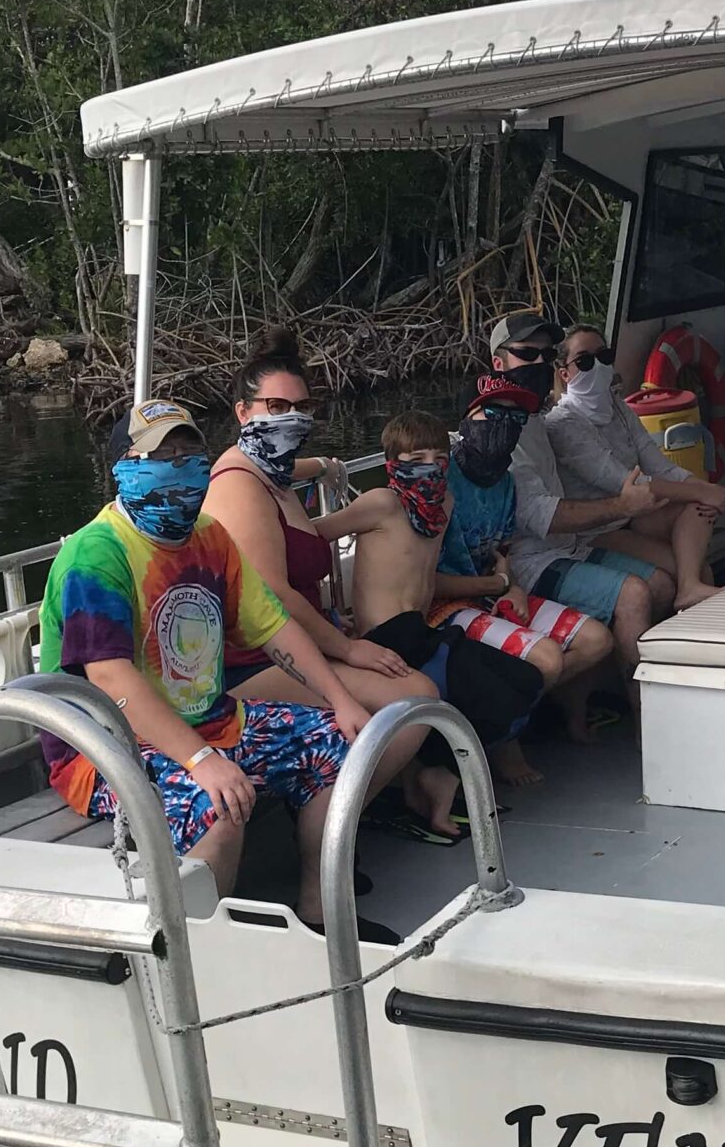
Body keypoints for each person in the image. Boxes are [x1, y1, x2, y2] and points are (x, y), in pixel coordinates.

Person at [38, 400, 357, 921]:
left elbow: (271, 625)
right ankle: (203, 954)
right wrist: (201, 760)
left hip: (213, 720)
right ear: (125, 468)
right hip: (106, 749)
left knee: (344, 745)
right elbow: (108, 675)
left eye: (191, 452)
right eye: (164, 455)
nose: (183, 465)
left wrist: (340, 699)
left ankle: (320, 914)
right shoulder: (98, 553)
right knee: (219, 809)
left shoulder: (209, 535)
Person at [201, 326, 444, 805]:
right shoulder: (238, 485)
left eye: (301, 408)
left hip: (311, 639)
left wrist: (324, 466)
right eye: (275, 408)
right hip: (251, 662)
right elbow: (274, 594)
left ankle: (355, 809)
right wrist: (349, 650)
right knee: (414, 698)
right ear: (242, 413)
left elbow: (294, 469)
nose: (289, 419)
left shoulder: (276, 472)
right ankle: (327, 822)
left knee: (416, 685)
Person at [314, 410, 552, 818]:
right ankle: (431, 776)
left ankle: (433, 771)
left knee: (526, 680)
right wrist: (330, 615)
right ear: (392, 464)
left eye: (437, 457)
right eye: (415, 459)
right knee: (476, 695)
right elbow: (312, 536)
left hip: (421, 630)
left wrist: (498, 582)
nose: (428, 468)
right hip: (384, 636)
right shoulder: (381, 503)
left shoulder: (443, 504)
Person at [434, 373, 620, 782]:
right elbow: (423, 579)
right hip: (444, 605)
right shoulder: (439, 479)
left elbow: (501, 551)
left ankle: (502, 717)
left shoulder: (505, 482)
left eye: (517, 418)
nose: (505, 425)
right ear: (466, 419)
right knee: (546, 659)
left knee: (595, 641)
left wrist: (511, 585)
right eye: (493, 413)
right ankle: (500, 739)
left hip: (490, 590)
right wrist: (497, 587)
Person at [486, 312, 670, 704]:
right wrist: (621, 504)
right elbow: (540, 517)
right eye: (525, 355)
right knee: (633, 594)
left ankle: (601, 700)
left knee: (661, 584)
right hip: (529, 562)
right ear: (498, 364)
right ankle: (646, 727)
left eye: (545, 355)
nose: (538, 364)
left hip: (568, 548)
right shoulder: (496, 427)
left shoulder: (534, 416)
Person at [545, 323, 725, 609]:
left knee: (696, 506)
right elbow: (623, 482)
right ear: (565, 374)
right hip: (598, 530)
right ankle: (688, 597)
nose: (596, 366)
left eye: (603, 356)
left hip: (638, 516)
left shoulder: (618, 408)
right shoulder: (563, 424)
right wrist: (704, 492)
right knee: (694, 568)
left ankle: (690, 590)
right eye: (584, 360)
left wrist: (705, 488)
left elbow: (659, 465)